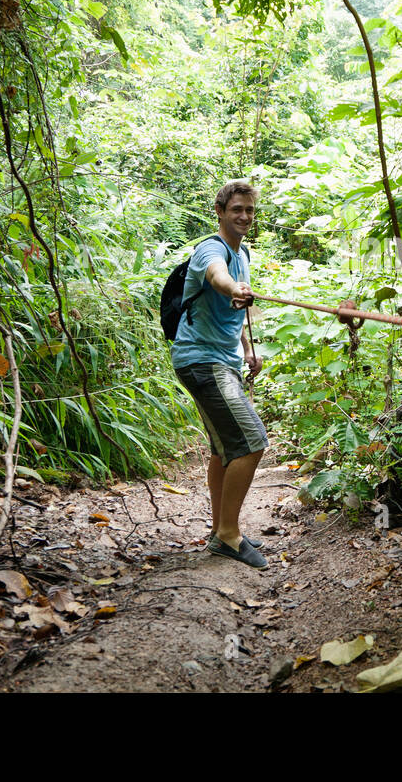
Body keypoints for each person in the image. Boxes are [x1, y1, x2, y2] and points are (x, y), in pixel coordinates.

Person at [172, 181, 269, 569]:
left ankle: (221, 527)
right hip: (200, 360)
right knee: (251, 440)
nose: (244, 216)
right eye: (236, 210)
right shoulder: (210, 250)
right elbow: (218, 278)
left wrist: (246, 346)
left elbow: (235, 299)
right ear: (220, 211)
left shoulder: (242, 252)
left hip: (224, 359)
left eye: (249, 210)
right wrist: (231, 287)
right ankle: (229, 536)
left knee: (223, 448)